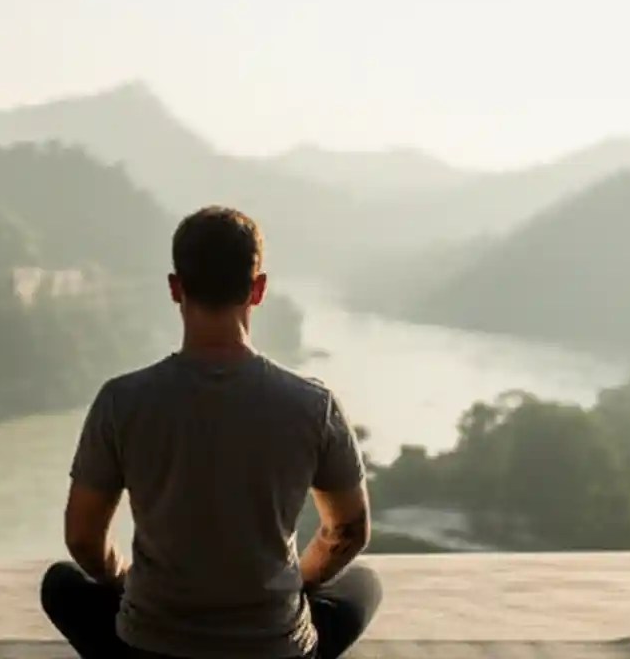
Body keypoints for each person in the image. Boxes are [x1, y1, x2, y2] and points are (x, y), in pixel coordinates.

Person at [40, 206, 381, 659]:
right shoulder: (313, 405)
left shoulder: (121, 401)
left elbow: (83, 539)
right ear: (258, 290)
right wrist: (297, 584)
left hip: (148, 648)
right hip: (272, 651)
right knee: (364, 584)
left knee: (62, 583)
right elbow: (348, 530)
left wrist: (124, 580)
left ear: (175, 288)